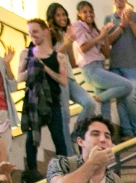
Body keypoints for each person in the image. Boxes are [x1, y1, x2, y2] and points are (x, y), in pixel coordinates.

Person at [18, 19, 71, 183]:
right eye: (30, 32)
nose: (32, 35)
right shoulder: (26, 53)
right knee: (31, 139)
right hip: (33, 101)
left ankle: (63, 172)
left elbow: (63, 81)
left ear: (45, 31)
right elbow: (19, 77)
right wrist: (32, 67)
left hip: (53, 102)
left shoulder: (59, 56)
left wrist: (45, 68)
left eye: (35, 31)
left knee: (59, 138)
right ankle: (32, 175)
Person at [70, 2, 135, 128]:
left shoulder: (94, 30)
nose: (88, 14)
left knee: (106, 109)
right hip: (91, 69)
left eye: (90, 11)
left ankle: (107, 136)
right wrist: (100, 36)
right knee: (126, 85)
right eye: (85, 12)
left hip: (100, 66)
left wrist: (104, 34)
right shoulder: (77, 26)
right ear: (79, 14)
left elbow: (106, 53)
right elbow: (83, 48)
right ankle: (99, 98)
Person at [47, 3, 98, 150]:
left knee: (89, 103)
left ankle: (75, 134)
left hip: (70, 78)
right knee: (65, 117)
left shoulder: (66, 33)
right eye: (58, 15)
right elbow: (51, 58)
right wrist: (67, 42)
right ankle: (69, 154)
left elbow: (72, 61)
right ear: (52, 17)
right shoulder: (49, 34)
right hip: (58, 79)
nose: (62, 17)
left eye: (63, 14)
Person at [104, 0, 136, 140]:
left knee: (131, 97)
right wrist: (121, 26)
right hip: (115, 64)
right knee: (120, 100)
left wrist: (131, 22)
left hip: (132, 64)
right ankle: (127, 131)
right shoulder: (109, 19)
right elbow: (107, 41)